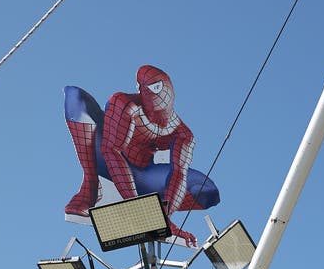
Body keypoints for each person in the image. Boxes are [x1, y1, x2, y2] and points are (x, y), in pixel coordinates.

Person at [64, 66, 220, 247]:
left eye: (156, 87)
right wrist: (140, 210)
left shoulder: (183, 134)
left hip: (142, 173)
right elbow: (110, 149)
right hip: (104, 159)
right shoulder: (124, 104)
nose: (151, 93)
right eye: (145, 87)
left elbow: (178, 173)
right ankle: (92, 186)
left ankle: (155, 206)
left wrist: (163, 218)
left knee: (207, 191)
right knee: (74, 96)